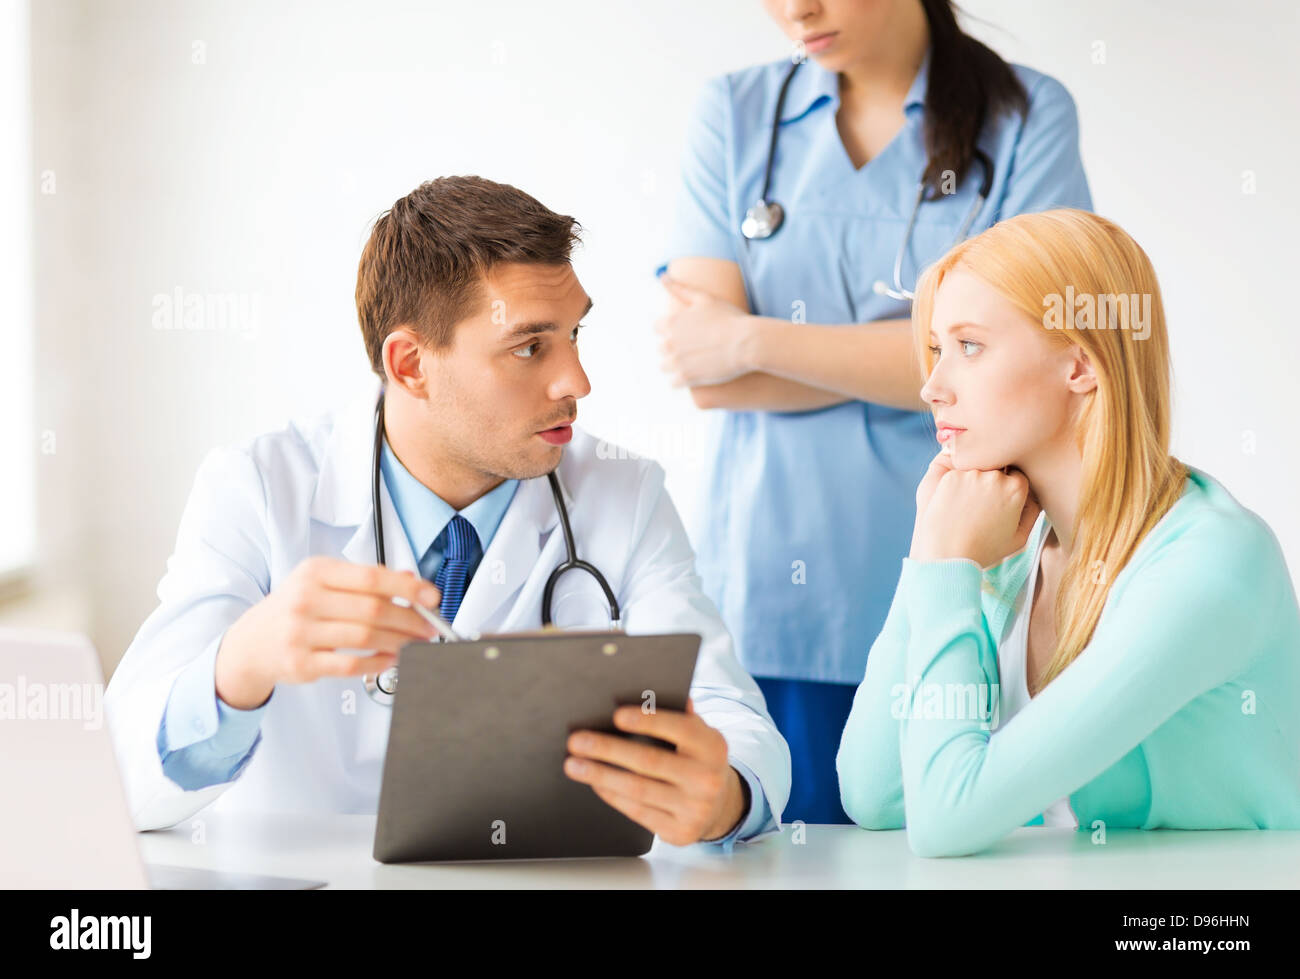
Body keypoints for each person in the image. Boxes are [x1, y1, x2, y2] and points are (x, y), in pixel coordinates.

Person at [105, 176, 791, 849]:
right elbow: (119, 775)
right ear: (409, 365)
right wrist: (241, 660)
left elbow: (735, 718)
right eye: (530, 346)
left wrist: (724, 796)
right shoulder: (258, 489)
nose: (577, 382)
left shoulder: (624, 494)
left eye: (574, 334)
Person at [656, 0, 1092, 824]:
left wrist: (749, 336)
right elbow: (706, 372)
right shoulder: (735, 113)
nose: (795, 10)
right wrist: (942, 350)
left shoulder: (1027, 117)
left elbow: (1034, 355)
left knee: (949, 845)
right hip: (773, 589)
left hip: (968, 572)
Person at [836, 208, 1300, 857]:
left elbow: (946, 819)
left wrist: (946, 571)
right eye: (938, 349)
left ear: (1080, 364)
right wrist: (933, 548)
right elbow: (873, 792)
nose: (931, 386)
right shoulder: (1012, 541)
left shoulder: (1211, 562)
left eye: (969, 346)